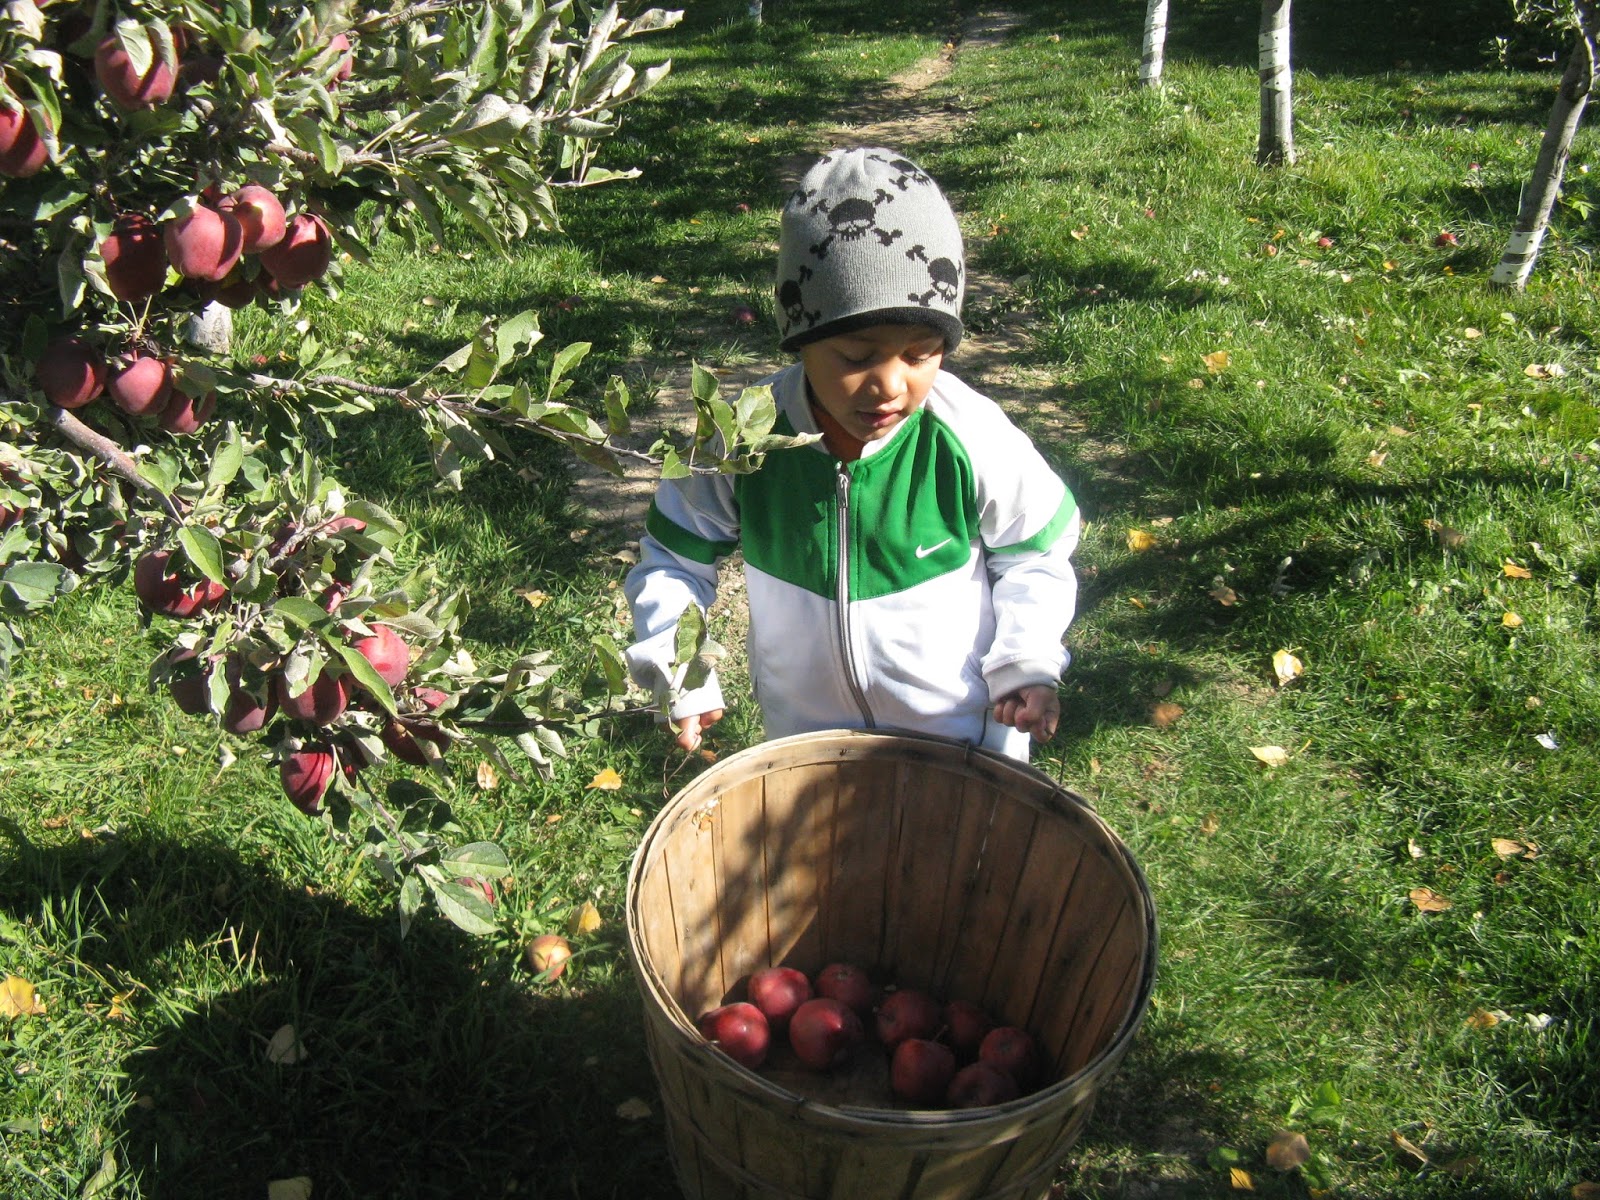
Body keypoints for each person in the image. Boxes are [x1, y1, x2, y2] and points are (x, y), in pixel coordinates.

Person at [624, 146, 1080, 762]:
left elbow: (1036, 557)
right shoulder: (745, 439)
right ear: (801, 340)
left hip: (966, 742)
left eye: (920, 354)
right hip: (808, 747)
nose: (890, 385)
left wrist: (1026, 662)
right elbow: (671, 562)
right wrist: (678, 668)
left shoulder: (968, 436)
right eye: (858, 357)